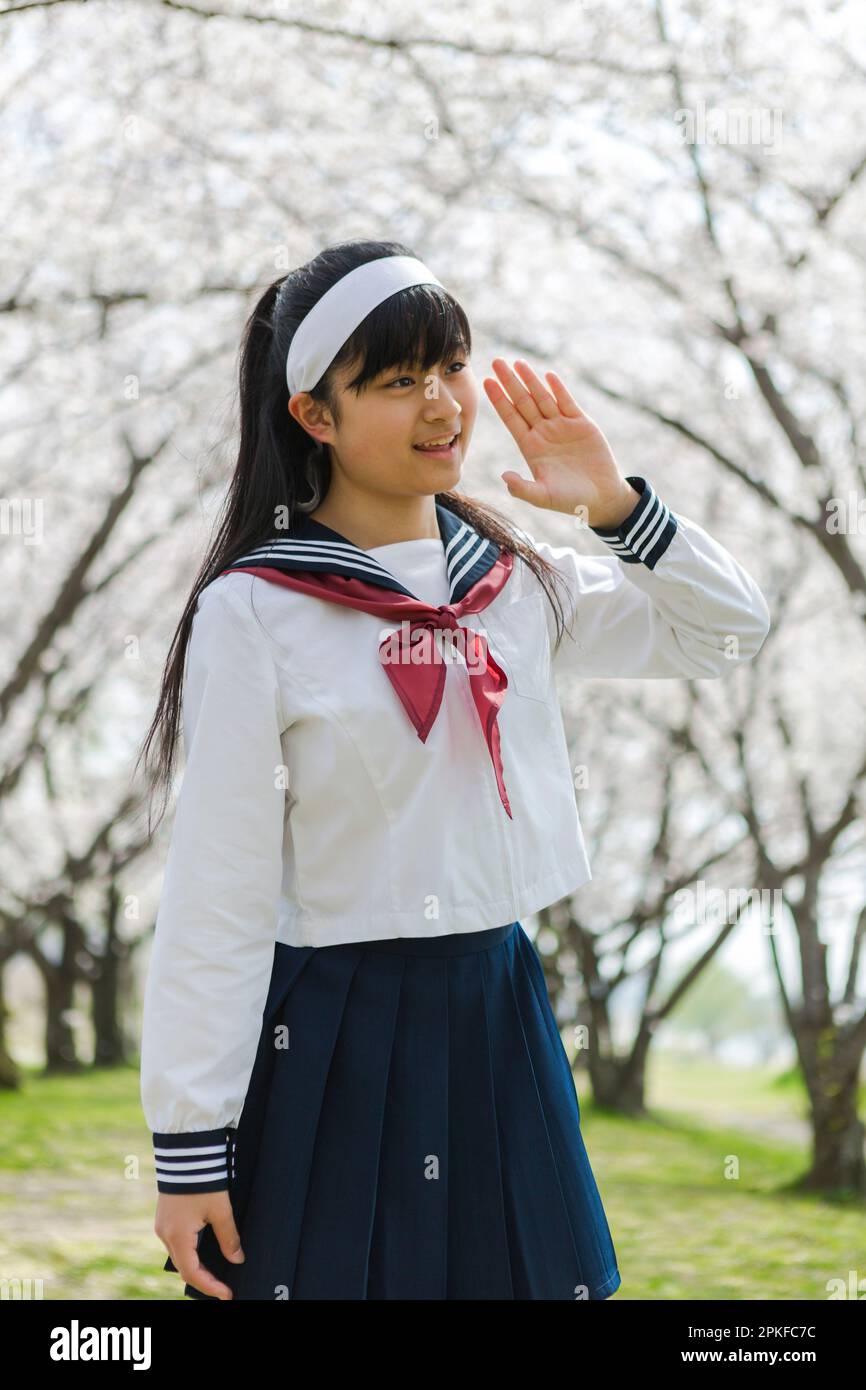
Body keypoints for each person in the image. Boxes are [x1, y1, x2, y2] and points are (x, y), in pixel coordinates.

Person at [135, 238, 771, 1301]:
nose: (440, 405)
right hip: (331, 1026)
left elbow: (726, 634)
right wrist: (188, 1144)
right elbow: (217, 891)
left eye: (449, 366)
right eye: (395, 381)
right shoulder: (255, 610)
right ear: (314, 417)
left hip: (497, 1009)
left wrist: (617, 512)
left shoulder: (517, 581)